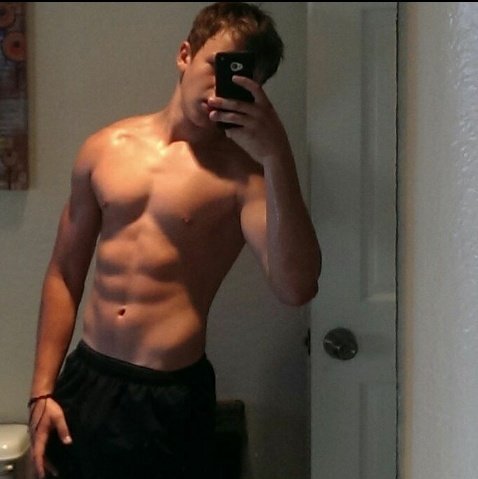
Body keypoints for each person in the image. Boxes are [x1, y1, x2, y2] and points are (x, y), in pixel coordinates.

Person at [28, 2, 321, 478]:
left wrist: (277, 155)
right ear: (185, 55)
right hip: (88, 378)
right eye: (219, 67)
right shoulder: (105, 149)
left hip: (171, 397)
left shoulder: (244, 180)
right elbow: (65, 272)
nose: (223, 88)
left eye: (244, 79)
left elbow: (297, 287)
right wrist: (42, 390)